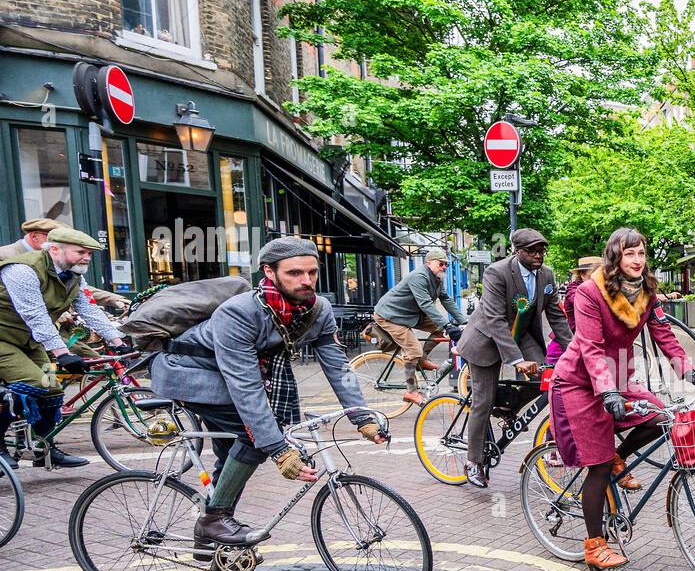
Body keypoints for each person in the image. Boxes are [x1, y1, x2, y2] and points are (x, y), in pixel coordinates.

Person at [148, 237, 386, 551]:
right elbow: (245, 389)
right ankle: (213, 520)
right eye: (295, 273)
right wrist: (278, 449)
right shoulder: (239, 313)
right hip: (190, 374)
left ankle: (212, 538)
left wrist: (361, 416)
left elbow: (338, 365)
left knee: (233, 451)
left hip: (232, 374)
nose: (306, 281)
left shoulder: (318, 309)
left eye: (312, 272)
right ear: (269, 272)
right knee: (253, 437)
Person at [549, 227, 695, 570]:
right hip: (579, 381)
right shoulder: (591, 292)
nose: (637, 260)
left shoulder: (648, 292)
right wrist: (607, 391)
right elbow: (590, 348)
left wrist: (689, 371)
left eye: (641, 253)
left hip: (618, 376)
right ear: (615, 258)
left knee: (661, 417)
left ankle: (619, 458)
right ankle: (594, 544)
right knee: (598, 465)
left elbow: (664, 335)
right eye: (629, 254)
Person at [0, 227, 128, 468]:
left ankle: (43, 449)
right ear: (55, 249)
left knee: (52, 389)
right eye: (81, 252)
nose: (87, 257)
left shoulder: (75, 276)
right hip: (3, 339)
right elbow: (35, 315)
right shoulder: (22, 270)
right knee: (34, 383)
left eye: (90, 253)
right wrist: (63, 354)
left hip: (29, 341)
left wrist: (117, 342)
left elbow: (89, 310)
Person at [457, 228, 572, 488]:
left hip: (521, 335)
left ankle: (510, 405)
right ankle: (473, 461)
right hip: (486, 339)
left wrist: (577, 351)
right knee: (482, 401)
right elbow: (496, 319)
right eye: (531, 251)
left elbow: (556, 318)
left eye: (541, 250)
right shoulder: (496, 273)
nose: (538, 255)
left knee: (546, 377)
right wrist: (516, 360)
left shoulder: (547, 275)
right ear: (517, 252)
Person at [372, 247, 466, 403]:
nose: (444, 267)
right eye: (441, 263)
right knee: (413, 351)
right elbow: (426, 304)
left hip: (410, 314)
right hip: (390, 315)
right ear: (429, 262)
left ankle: (421, 360)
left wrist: (463, 321)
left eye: (446, 265)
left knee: (438, 330)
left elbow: (446, 299)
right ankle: (411, 391)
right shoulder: (419, 276)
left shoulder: (436, 278)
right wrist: (447, 326)